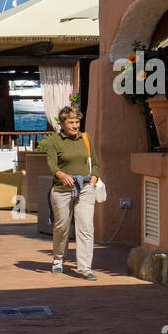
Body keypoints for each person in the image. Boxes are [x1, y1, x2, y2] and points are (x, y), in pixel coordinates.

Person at [42, 106, 101, 280]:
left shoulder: (86, 138)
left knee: (86, 227)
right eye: (71, 122)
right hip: (62, 190)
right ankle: (59, 259)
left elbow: (95, 164)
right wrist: (61, 175)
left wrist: (93, 179)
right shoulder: (54, 140)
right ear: (62, 123)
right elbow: (51, 164)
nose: (75, 126)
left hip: (85, 188)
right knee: (62, 227)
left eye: (77, 122)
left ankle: (85, 267)